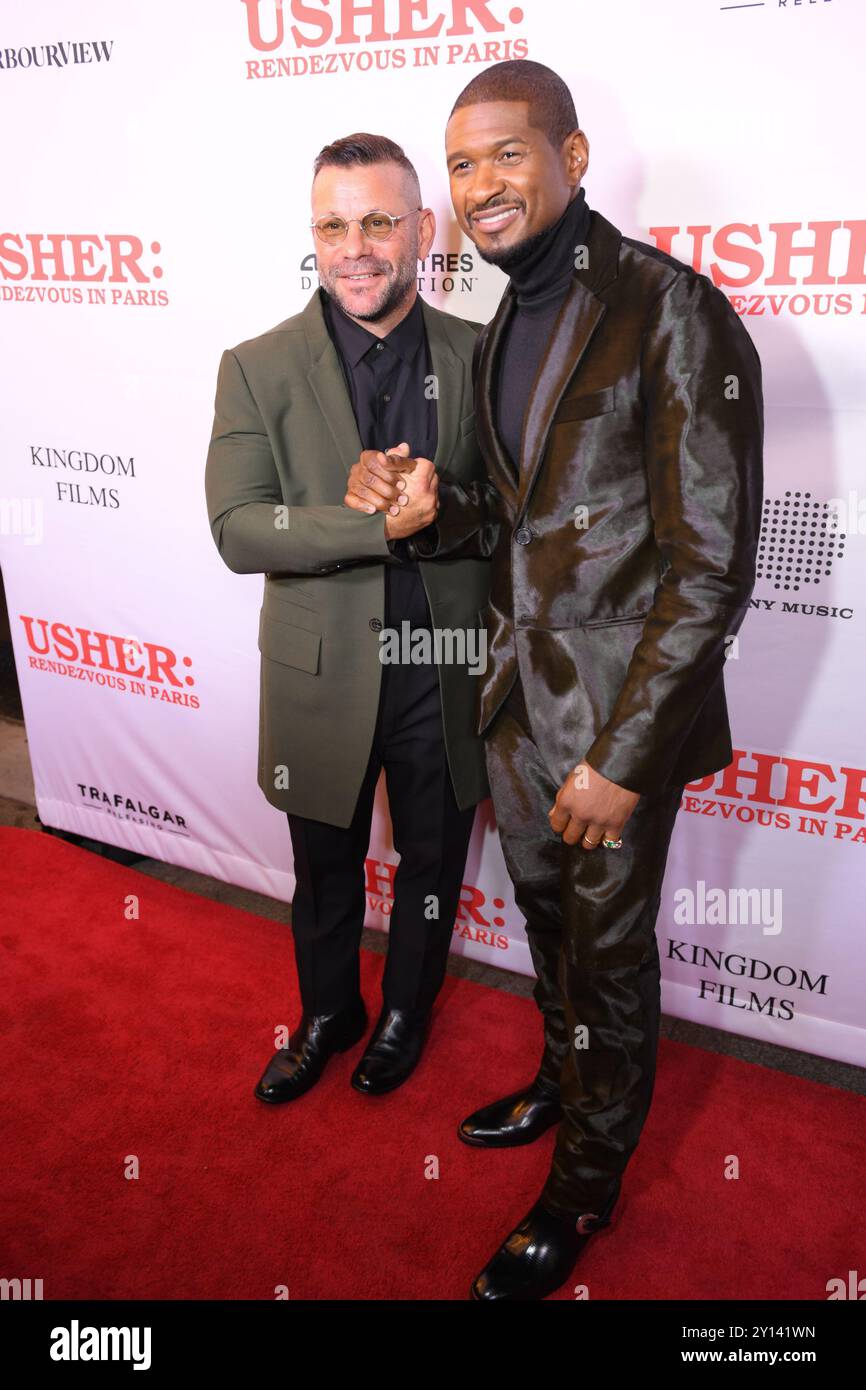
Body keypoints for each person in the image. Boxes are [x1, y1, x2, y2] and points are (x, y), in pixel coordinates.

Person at [345, 60, 764, 1300]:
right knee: (545, 930)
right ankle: (559, 1080)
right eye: (460, 164)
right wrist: (433, 511)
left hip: (612, 731)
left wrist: (622, 763)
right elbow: (520, 522)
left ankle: (584, 1185)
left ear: (570, 160)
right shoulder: (498, 327)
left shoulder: (669, 309)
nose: (479, 185)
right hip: (515, 711)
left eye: (505, 155)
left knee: (609, 952)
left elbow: (711, 565)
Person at [205, 133, 491, 1106]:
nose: (355, 246)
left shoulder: (480, 358)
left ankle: (406, 1009)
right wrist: (366, 522)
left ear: (419, 229)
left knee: (430, 859)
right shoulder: (255, 366)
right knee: (322, 866)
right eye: (333, 224)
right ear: (312, 236)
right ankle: (330, 1011)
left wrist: (442, 502)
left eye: (377, 221)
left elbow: (519, 516)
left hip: (442, 665)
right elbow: (238, 529)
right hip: (317, 671)